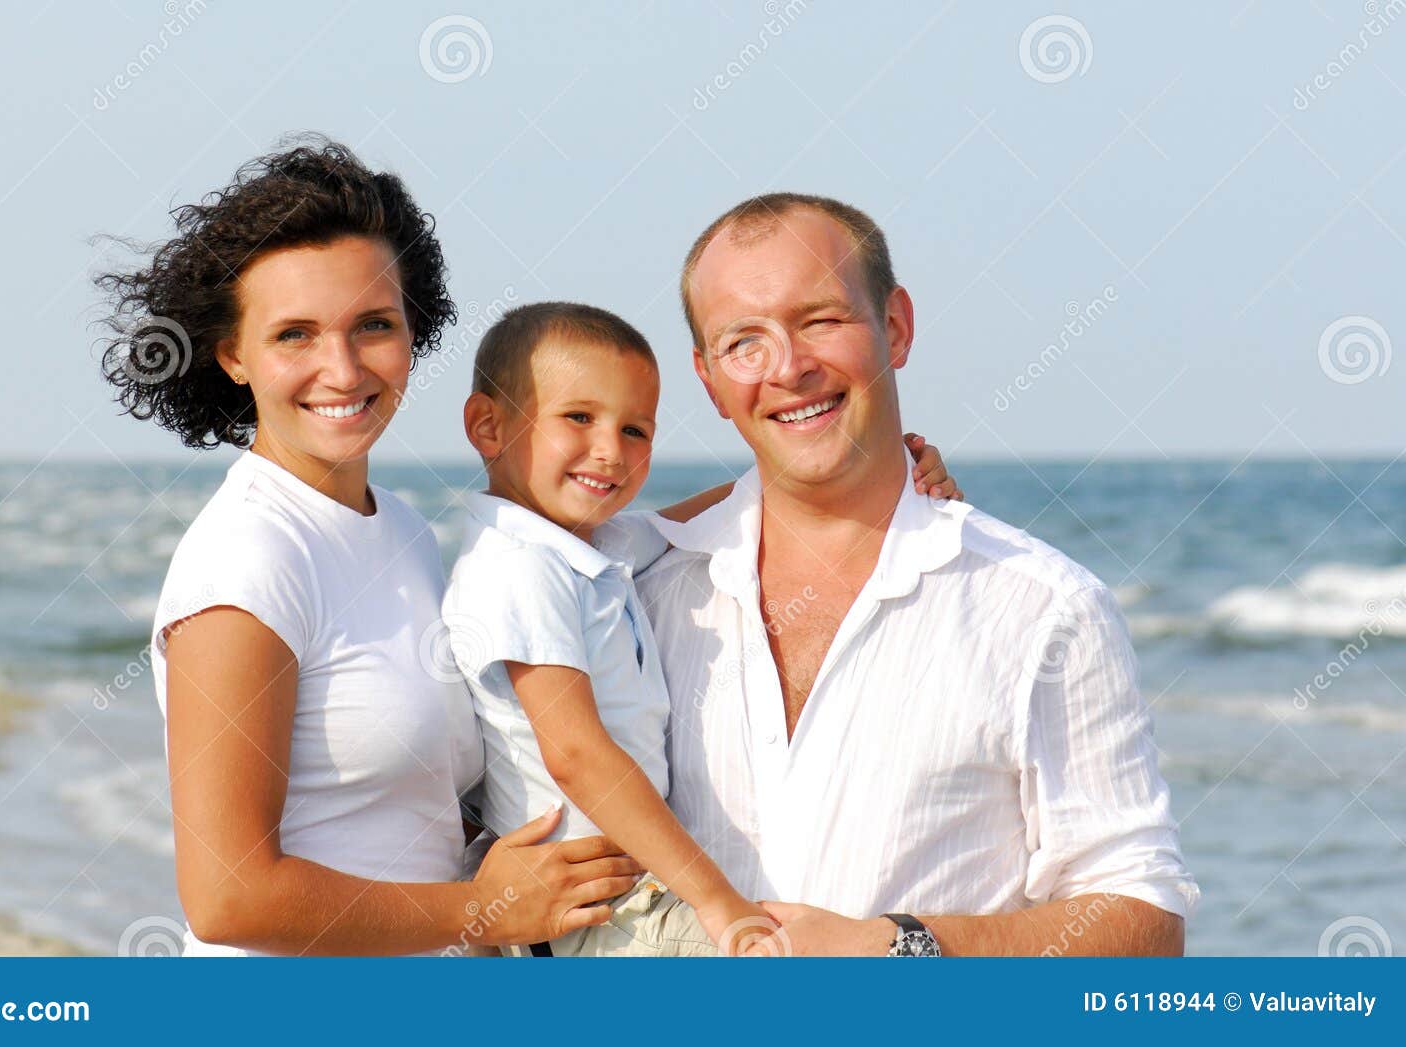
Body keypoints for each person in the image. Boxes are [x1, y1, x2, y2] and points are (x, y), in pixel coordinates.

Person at [595, 192, 1200, 956]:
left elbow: (1142, 924)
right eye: (744, 340)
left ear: (896, 326)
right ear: (711, 378)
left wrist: (899, 949)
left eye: (820, 319)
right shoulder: (632, 595)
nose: (788, 367)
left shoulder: (1044, 607)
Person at [96, 139, 646, 956]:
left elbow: (606, 540)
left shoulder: (403, 530)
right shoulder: (246, 560)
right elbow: (227, 896)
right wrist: (484, 909)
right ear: (232, 355)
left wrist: (877, 477)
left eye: (373, 325)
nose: (342, 367)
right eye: (295, 335)